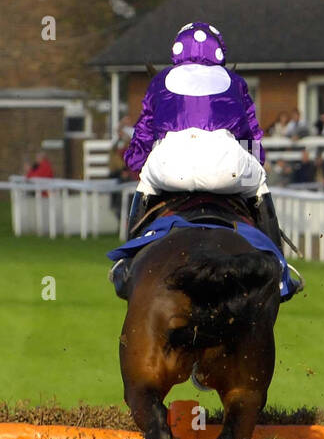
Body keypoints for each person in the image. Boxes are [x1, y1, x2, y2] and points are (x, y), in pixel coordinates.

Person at [110, 20, 295, 298]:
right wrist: (257, 161)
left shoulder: (160, 81)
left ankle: (126, 266)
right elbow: (250, 136)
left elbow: (144, 133)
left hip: (170, 166)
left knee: (145, 183)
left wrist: (136, 161)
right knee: (260, 185)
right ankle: (281, 275)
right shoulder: (235, 82)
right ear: (219, 51)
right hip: (226, 167)